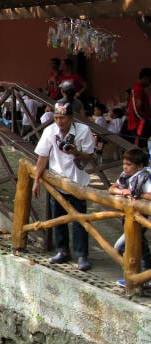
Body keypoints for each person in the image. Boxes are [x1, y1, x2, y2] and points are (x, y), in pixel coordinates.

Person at [32, 101, 96, 271]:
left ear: (71, 118)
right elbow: (42, 157)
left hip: (77, 182)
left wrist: (75, 152)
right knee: (58, 218)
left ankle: (82, 255)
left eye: (63, 118)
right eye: (56, 117)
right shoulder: (50, 131)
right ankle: (63, 251)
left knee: (79, 220)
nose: (59, 121)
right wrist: (36, 180)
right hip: (57, 181)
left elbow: (89, 157)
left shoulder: (83, 131)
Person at [109, 148, 151, 287]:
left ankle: (132, 276)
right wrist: (123, 192)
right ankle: (142, 278)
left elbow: (150, 195)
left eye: (129, 164)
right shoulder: (125, 176)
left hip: (142, 218)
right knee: (142, 248)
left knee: (118, 247)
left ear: (139, 166)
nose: (125, 167)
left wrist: (136, 193)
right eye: (124, 164)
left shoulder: (144, 177)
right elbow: (111, 189)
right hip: (130, 218)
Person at [127, 67, 151, 150]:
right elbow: (136, 110)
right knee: (139, 149)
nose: (150, 83)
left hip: (140, 123)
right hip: (139, 125)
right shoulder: (138, 90)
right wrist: (147, 120)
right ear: (145, 78)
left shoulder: (138, 89)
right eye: (150, 80)